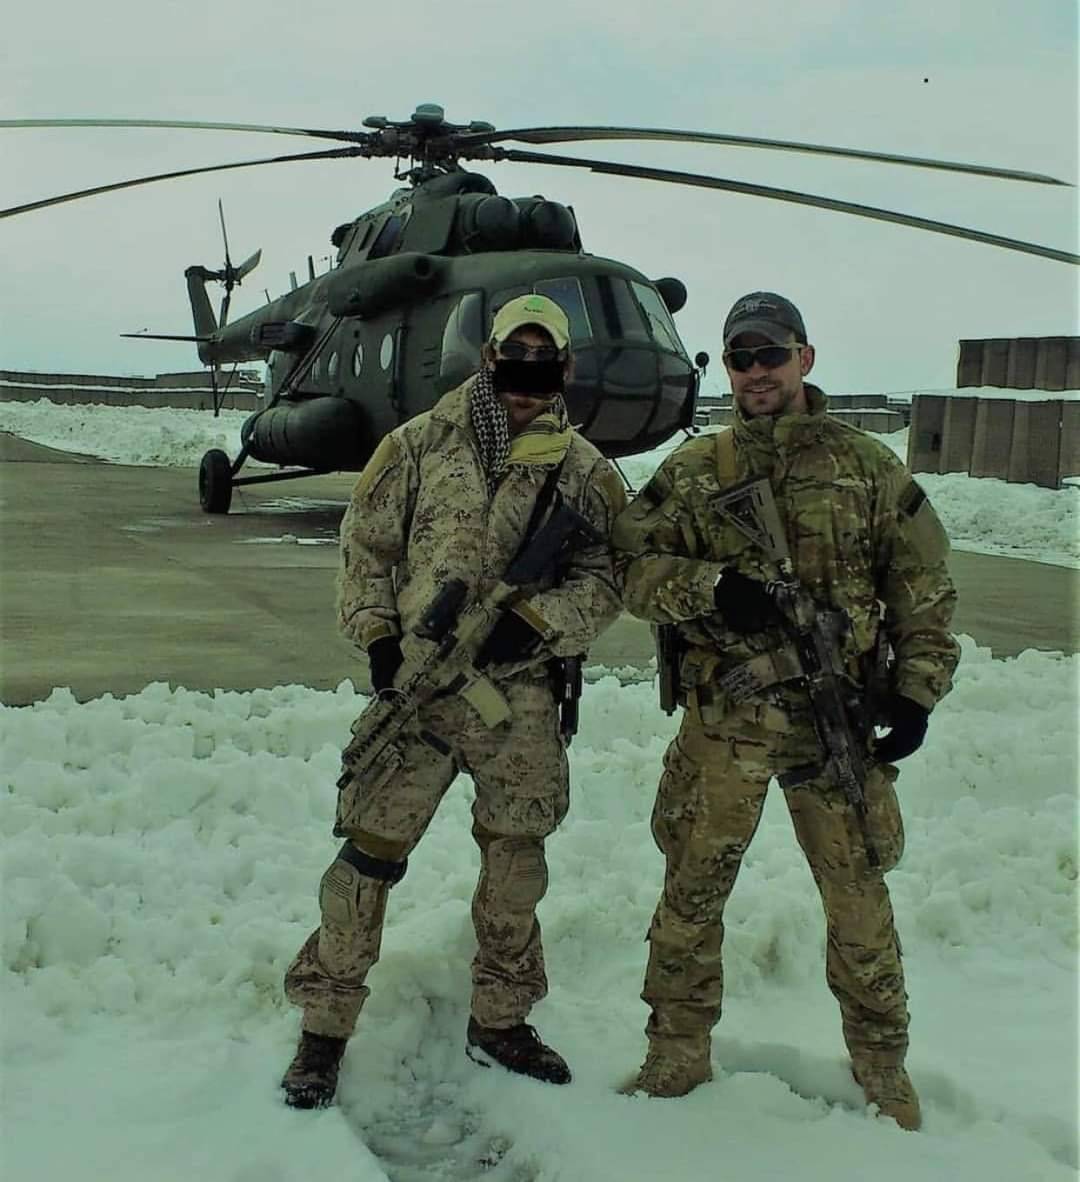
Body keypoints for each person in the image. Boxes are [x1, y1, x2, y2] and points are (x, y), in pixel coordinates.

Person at [612, 291, 959, 1130]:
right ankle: (677, 1052)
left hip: (834, 721)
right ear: (725, 367)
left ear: (805, 358)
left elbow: (925, 589)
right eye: (740, 358)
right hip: (726, 726)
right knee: (691, 894)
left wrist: (917, 691)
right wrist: (711, 589)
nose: (756, 372)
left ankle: (883, 1067)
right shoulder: (697, 470)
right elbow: (626, 565)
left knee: (858, 899)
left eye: (771, 354)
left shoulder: (868, 467)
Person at [281, 294, 627, 1108]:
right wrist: (378, 640)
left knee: (515, 865)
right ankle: (325, 1026)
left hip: (521, 700)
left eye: (543, 366)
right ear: (487, 359)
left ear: (565, 370)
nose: (525, 380)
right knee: (367, 858)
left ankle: (502, 1019)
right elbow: (366, 549)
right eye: (513, 362)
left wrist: (539, 622)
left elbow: (611, 576)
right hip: (421, 693)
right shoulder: (417, 446)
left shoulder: (585, 471)